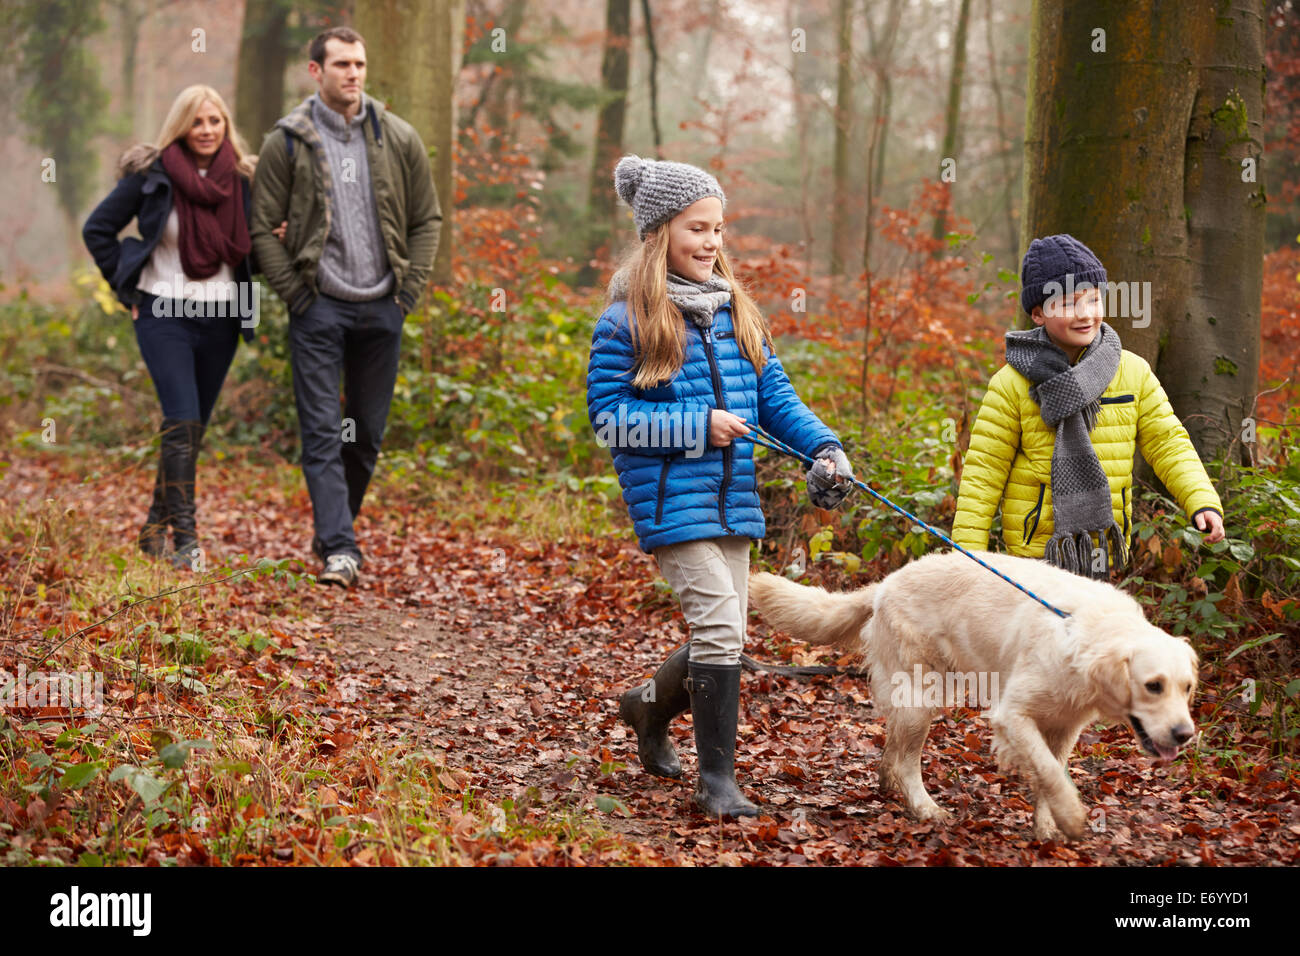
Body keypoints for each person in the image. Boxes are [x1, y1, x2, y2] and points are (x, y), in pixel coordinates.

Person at [586, 155, 854, 818]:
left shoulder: (737, 313)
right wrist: (696, 425)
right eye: (697, 228)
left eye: (718, 229)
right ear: (658, 234)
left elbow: (776, 398)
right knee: (717, 627)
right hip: (669, 501)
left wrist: (823, 448)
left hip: (731, 501)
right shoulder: (626, 322)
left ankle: (644, 709)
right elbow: (611, 421)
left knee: (726, 633)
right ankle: (717, 784)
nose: (712, 242)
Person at [250, 26, 441, 589]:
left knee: (366, 434)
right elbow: (261, 226)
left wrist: (407, 293)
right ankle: (340, 546)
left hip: (383, 305)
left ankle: (336, 531)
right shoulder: (286, 141)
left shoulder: (398, 137)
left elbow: (427, 219)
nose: (353, 74)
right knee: (322, 432)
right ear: (316, 71)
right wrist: (297, 295)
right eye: (341, 65)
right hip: (319, 308)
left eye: (359, 64)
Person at [953, 233, 1225, 577]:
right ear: (1038, 313)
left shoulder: (1132, 372)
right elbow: (983, 475)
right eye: (1067, 304)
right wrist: (966, 561)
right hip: (1034, 556)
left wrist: (1201, 499)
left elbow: (1168, 442)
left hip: (1102, 547)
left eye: (1093, 300)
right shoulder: (1011, 384)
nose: (1085, 314)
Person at [82, 85, 259, 569]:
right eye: (197, 121)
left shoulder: (244, 179)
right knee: (181, 420)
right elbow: (97, 229)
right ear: (181, 126)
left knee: (191, 429)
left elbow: (251, 253)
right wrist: (129, 289)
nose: (206, 130)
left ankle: (151, 530)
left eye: (215, 121)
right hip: (163, 314)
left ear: (226, 125)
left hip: (224, 316)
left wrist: (275, 236)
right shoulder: (153, 176)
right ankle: (186, 541)